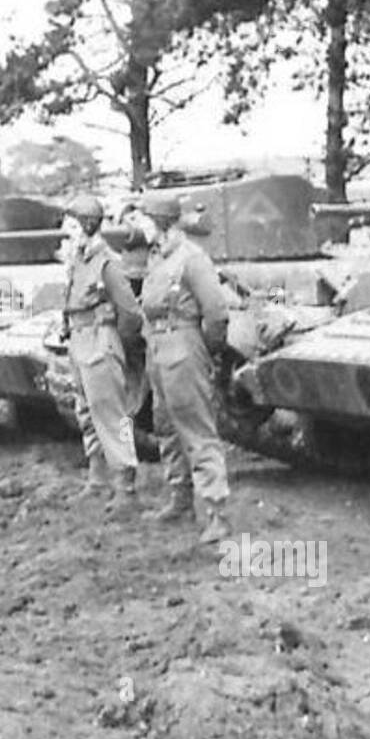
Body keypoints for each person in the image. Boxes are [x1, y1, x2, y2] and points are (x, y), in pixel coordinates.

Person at [138, 193, 232, 544]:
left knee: (197, 429)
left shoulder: (192, 259)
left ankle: (216, 513)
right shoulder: (157, 258)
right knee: (166, 426)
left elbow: (217, 314)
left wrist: (206, 352)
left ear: (160, 222)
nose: (139, 226)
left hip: (184, 346)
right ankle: (179, 498)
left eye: (144, 219)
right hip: (159, 348)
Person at [61, 193, 143, 515]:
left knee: (114, 416)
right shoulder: (78, 260)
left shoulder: (106, 263)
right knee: (86, 412)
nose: (65, 233)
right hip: (79, 340)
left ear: (86, 225)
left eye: (69, 225)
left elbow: (131, 313)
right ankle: (97, 478)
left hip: (99, 340)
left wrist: (114, 342)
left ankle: (126, 485)